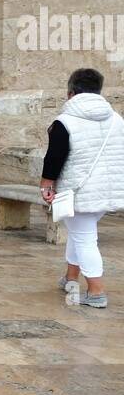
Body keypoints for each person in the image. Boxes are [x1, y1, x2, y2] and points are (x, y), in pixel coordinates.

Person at [41, 68, 124, 309]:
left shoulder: (64, 122)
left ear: (70, 93)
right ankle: (70, 277)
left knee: (85, 238)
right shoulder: (117, 119)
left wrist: (46, 184)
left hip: (79, 191)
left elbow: (54, 157)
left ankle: (96, 291)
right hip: (108, 190)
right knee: (80, 233)